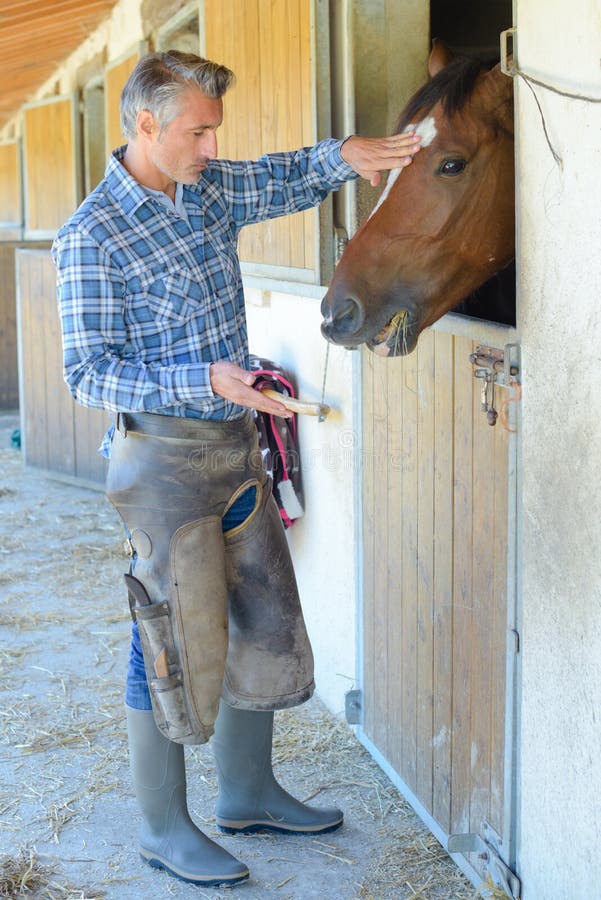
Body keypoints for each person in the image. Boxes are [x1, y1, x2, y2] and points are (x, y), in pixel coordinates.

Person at [52, 50, 421, 888]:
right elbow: (87, 374)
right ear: (145, 126)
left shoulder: (207, 190)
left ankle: (249, 792)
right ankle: (162, 827)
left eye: (214, 130)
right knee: (170, 641)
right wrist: (205, 380)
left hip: (234, 449)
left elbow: (279, 178)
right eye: (198, 131)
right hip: (159, 460)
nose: (214, 147)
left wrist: (346, 158)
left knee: (258, 620)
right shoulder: (92, 236)